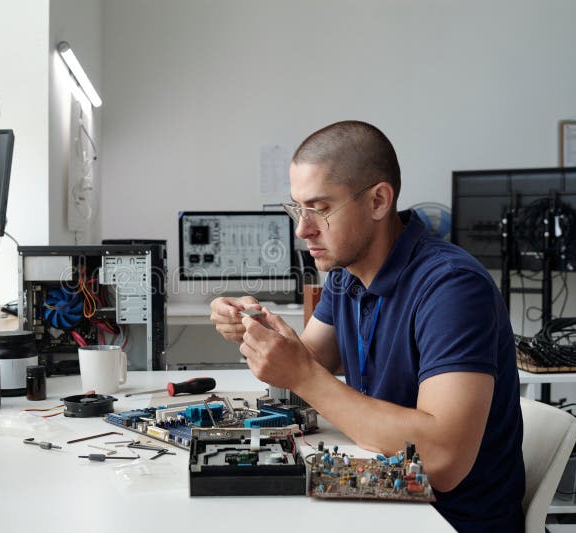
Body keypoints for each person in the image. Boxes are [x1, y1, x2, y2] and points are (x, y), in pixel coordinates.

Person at [210, 121, 524, 532]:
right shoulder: (346, 275)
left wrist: (301, 373)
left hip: (447, 520)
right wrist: (261, 330)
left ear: (378, 201)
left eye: (319, 209)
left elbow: (443, 461)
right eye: (297, 208)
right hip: (387, 490)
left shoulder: (452, 288)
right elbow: (310, 361)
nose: (302, 230)